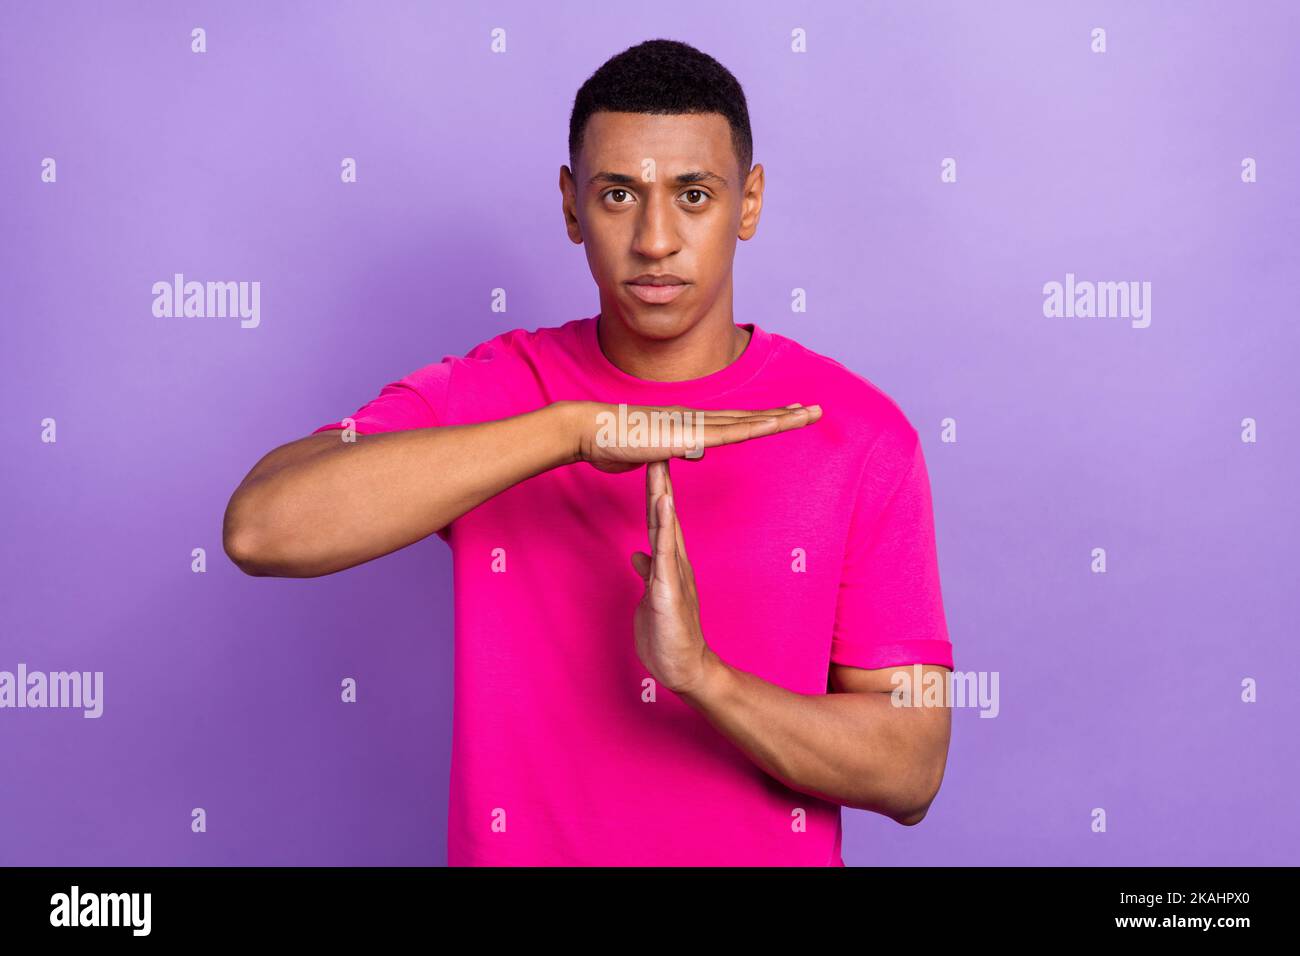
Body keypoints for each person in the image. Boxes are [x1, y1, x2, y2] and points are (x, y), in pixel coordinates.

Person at [223, 38, 954, 866]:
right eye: (618, 195)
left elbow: (913, 766)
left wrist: (704, 678)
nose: (654, 239)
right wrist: (570, 432)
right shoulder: (493, 392)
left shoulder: (856, 432)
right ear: (571, 207)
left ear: (748, 203)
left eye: (693, 195)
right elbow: (260, 529)